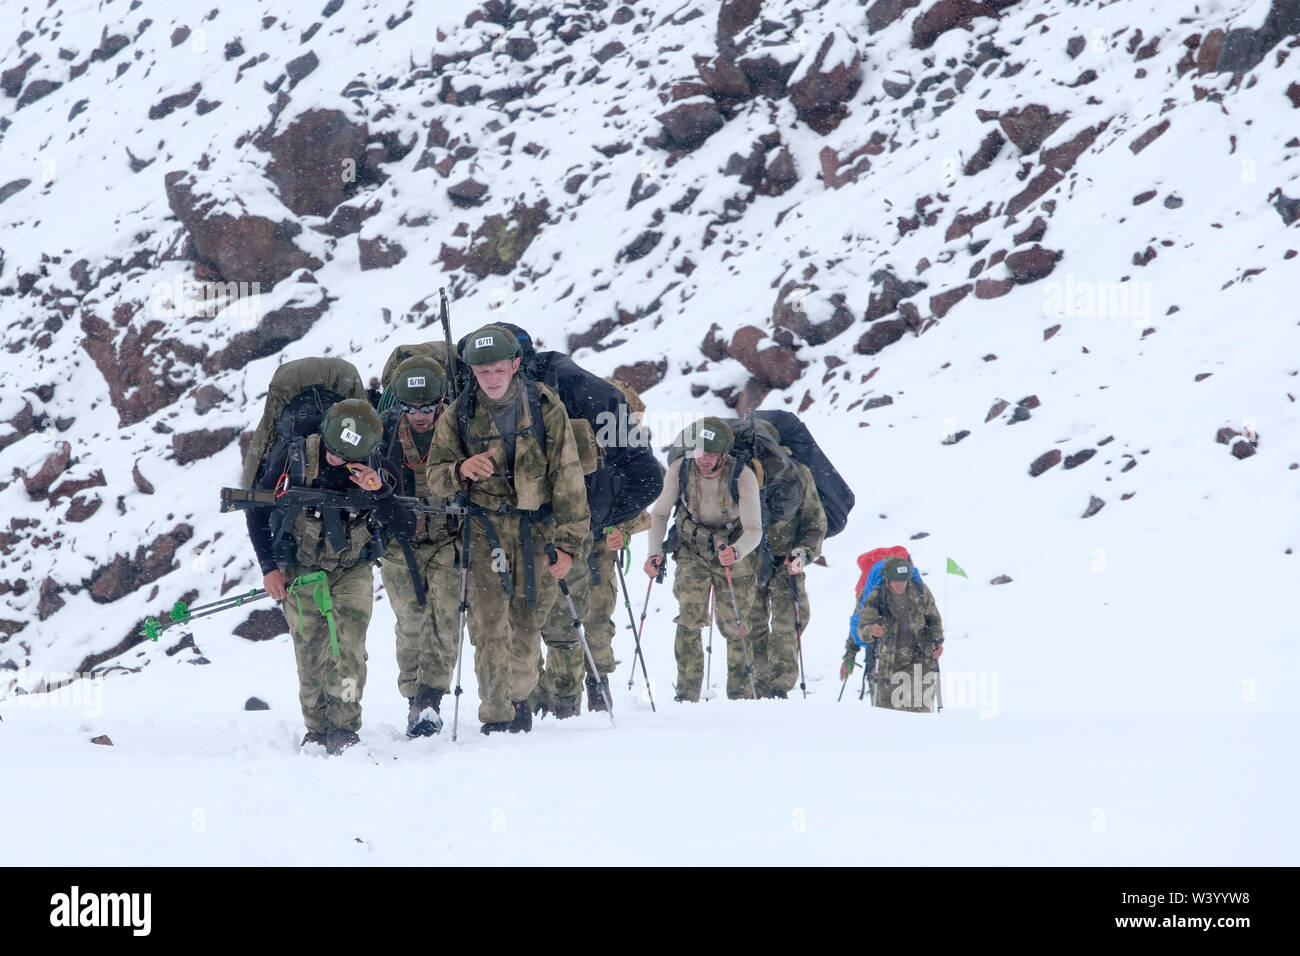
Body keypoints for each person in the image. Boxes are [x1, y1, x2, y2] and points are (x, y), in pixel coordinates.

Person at [425, 324, 591, 734]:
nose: (492, 379)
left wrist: (569, 545)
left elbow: (569, 479)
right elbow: (434, 477)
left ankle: (520, 697)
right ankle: (497, 713)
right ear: (472, 373)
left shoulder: (544, 406)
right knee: (487, 624)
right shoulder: (458, 413)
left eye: (499, 369)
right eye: (483, 372)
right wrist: (459, 469)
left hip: (537, 530)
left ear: (515, 365)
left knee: (528, 619)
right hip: (485, 530)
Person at [245, 397, 415, 754]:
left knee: (350, 649)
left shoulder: (377, 466)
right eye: (333, 452)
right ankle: (316, 728)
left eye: (346, 455)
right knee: (310, 650)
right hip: (301, 568)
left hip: (352, 569)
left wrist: (380, 491)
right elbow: (256, 509)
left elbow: (406, 526)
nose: (337, 460)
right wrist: (269, 568)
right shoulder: (293, 457)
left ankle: (345, 727)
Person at [533, 371, 663, 718]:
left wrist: (623, 526)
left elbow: (640, 503)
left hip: (602, 546)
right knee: (556, 617)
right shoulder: (570, 434)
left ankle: (598, 684)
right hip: (565, 537)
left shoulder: (632, 445)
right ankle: (551, 691)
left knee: (597, 617)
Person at [645, 417, 763, 701]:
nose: (704, 459)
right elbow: (660, 514)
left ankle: (741, 695)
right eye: (699, 451)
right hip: (691, 547)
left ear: (724, 454)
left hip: (734, 547)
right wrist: (653, 552)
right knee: (689, 618)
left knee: (735, 623)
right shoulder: (680, 469)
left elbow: (754, 529)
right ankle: (686, 694)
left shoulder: (742, 475)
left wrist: (735, 551)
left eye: (711, 454)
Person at [377, 356, 461, 737]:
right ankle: (413, 698)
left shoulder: (460, 425)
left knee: (444, 618)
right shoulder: (385, 431)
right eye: (411, 408)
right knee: (410, 621)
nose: (421, 416)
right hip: (400, 540)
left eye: (428, 407)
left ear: (441, 399)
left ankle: (431, 699)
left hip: (449, 537)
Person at [746, 423, 827, 698]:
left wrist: (804, 552)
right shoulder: (742, 472)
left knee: (787, 623)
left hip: (786, 561)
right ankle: (758, 687)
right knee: (752, 625)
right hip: (749, 559)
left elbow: (814, 522)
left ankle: (778, 689)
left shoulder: (798, 474)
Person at [841, 557, 944, 712]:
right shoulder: (876, 596)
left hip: (919, 662)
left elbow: (933, 619)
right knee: (887, 718)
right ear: (887, 579)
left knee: (921, 716)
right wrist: (871, 632)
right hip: (885, 667)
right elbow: (860, 626)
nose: (900, 586)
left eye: (903, 581)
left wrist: (936, 640)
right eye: (896, 582)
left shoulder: (920, 591)